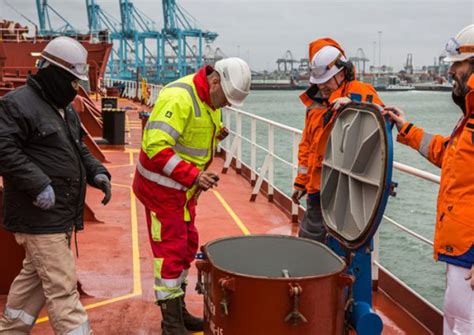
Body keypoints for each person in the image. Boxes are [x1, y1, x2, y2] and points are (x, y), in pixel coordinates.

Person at [0, 36, 112, 334]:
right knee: (62, 286)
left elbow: (79, 149)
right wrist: (38, 184)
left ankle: (11, 329)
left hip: (60, 213)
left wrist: (97, 173)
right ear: (52, 73)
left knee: (34, 277)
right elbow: (4, 150)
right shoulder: (16, 105)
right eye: (72, 82)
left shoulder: (64, 109)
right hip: (38, 215)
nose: (75, 89)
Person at [132, 57, 251, 334]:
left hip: (184, 192)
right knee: (171, 252)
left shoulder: (210, 100)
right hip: (161, 190)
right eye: (227, 98)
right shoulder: (179, 97)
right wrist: (195, 176)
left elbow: (194, 131)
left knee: (187, 247)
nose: (227, 105)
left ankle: (179, 312)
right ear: (214, 80)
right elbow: (156, 147)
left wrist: (216, 134)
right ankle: (171, 324)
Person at [383, 24, 474, 335]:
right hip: (460, 249)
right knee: (456, 324)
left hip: (470, 251)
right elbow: (449, 154)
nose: (451, 73)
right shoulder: (469, 119)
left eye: (457, 66)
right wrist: (406, 129)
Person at [292, 38, 384, 242]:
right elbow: (307, 145)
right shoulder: (315, 105)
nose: (322, 86)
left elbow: (383, 118)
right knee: (309, 241)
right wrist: (300, 183)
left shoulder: (359, 90)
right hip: (317, 189)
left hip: (343, 190)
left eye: (326, 80)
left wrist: (354, 104)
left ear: (341, 73)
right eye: (319, 81)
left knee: (339, 246)